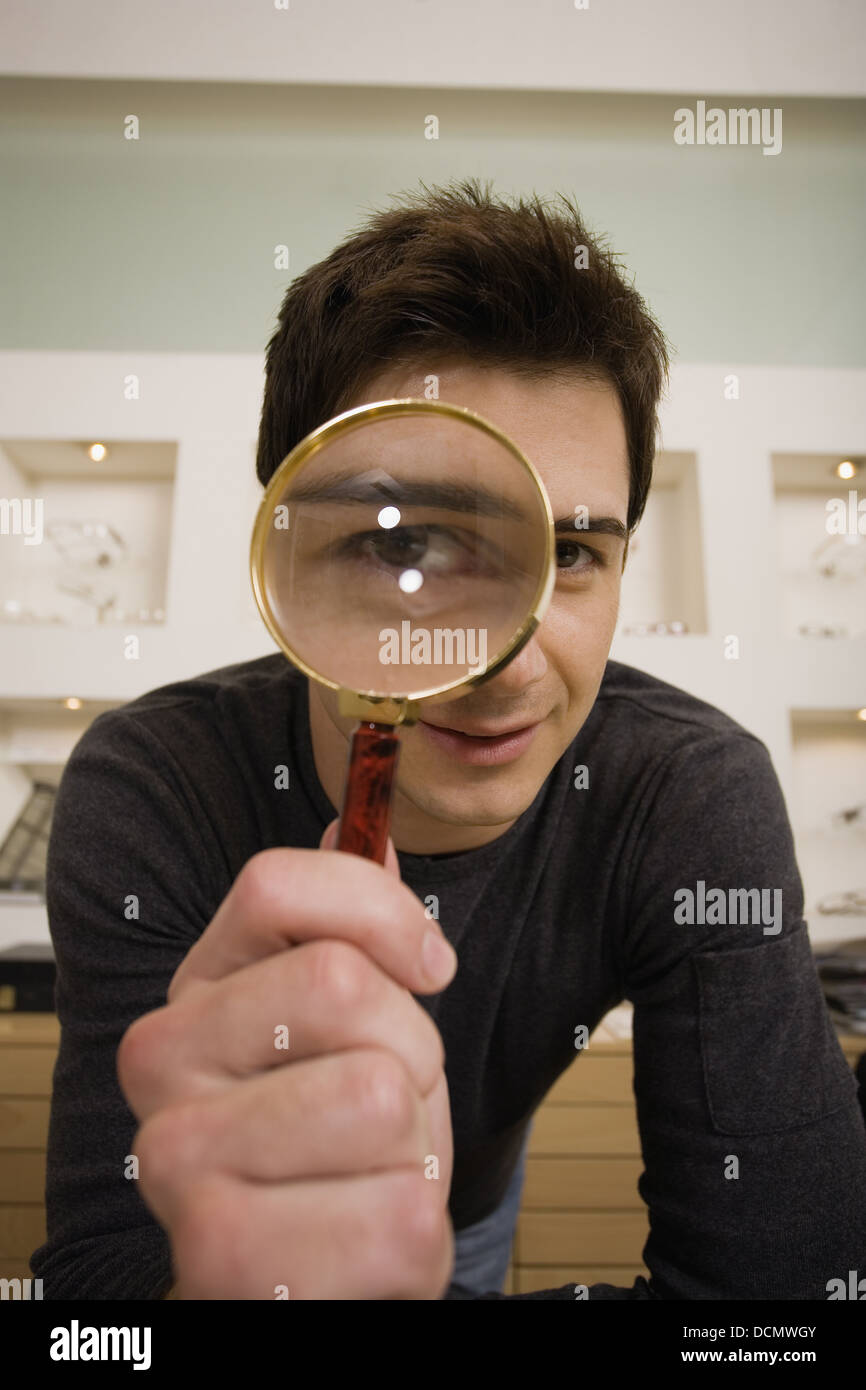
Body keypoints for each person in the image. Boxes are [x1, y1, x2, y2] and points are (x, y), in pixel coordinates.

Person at [31, 178, 866, 1300]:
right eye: (404, 543)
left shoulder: (690, 787)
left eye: (570, 554)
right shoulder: (152, 782)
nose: (506, 662)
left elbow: (782, 1300)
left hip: (472, 1199)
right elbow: (100, 1302)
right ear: (283, 533)